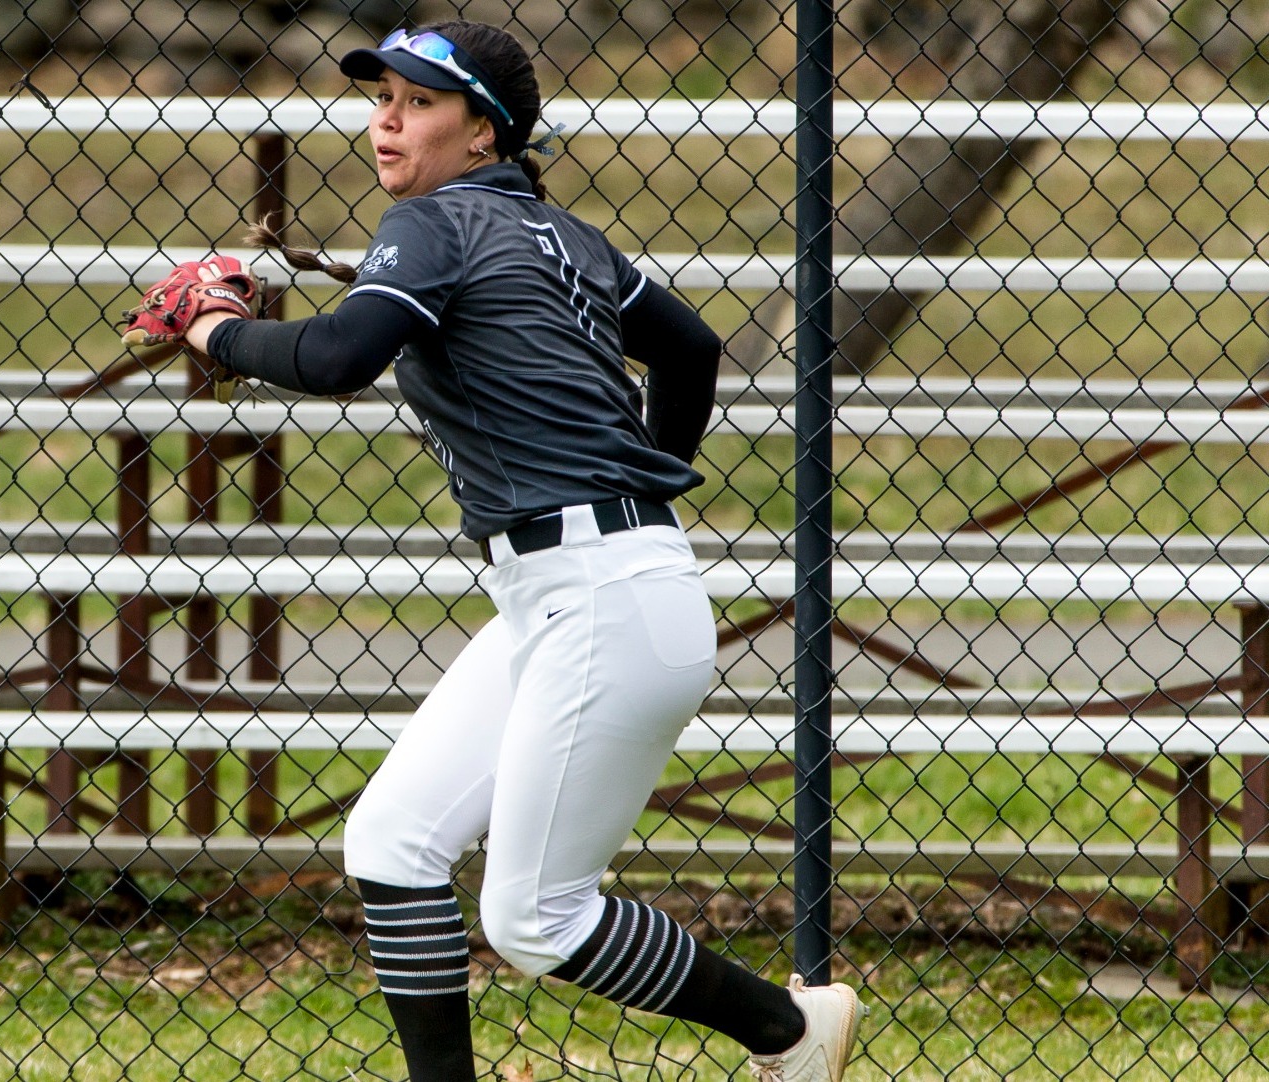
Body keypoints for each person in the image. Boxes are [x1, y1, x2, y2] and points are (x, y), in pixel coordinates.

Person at [125, 19, 861, 1082]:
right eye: (382, 96)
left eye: (420, 101)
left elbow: (337, 357)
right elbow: (691, 348)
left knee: (535, 916)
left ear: (485, 133)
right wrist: (638, 487)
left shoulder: (431, 225)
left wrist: (213, 328)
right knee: (392, 842)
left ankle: (793, 1035)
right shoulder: (567, 234)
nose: (388, 118)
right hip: (576, 591)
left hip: (603, 597)